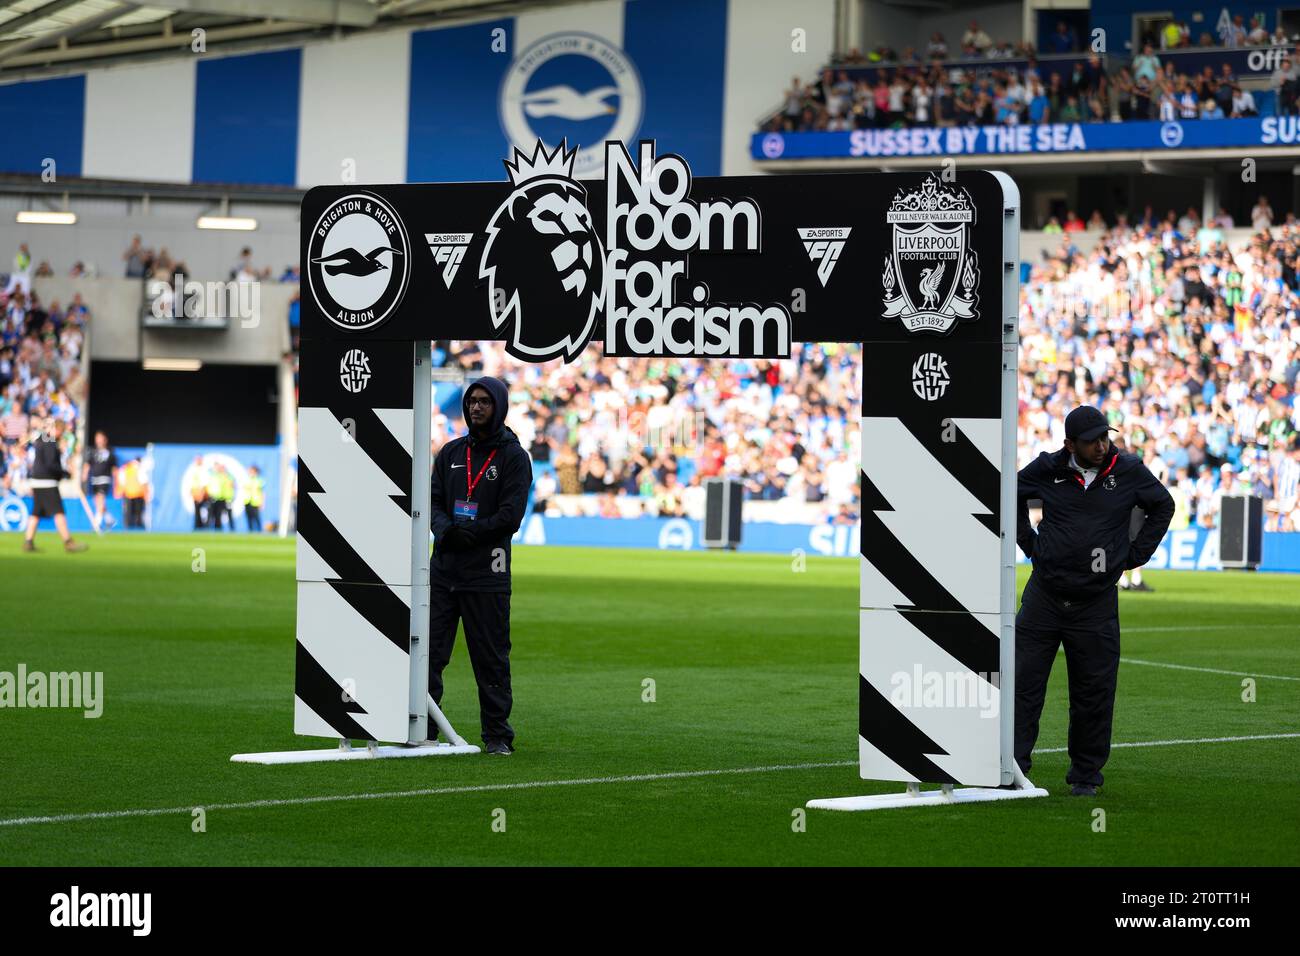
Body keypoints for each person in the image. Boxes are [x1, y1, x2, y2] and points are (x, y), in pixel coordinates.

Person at [1014, 406, 1174, 796]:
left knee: (1094, 693)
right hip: (1044, 596)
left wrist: (1136, 555)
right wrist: (1029, 544)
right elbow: (1009, 492)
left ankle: (1086, 777)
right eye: (1091, 441)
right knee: (1021, 687)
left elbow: (1163, 505)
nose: (1101, 445)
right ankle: (1012, 769)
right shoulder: (1047, 467)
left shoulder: (1129, 469)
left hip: (1096, 601)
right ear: (1070, 444)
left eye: (1105, 436)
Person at [427, 376, 533, 755]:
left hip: (487, 574)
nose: (475, 407)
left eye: (485, 401)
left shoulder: (514, 457)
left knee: (490, 659)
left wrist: (473, 531)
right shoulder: (451, 452)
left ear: (499, 407)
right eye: (471, 401)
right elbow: (433, 502)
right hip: (443, 569)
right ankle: (424, 731)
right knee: (429, 653)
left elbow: (511, 516)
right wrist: (445, 530)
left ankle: (497, 736)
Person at [21, 418, 87, 553]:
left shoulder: (41, 440)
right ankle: (68, 542)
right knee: (59, 512)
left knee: (36, 513)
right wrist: (65, 473)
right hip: (47, 483)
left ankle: (28, 541)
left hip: (37, 481)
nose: (61, 435)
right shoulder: (50, 443)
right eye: (61, 431)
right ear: (56, 429)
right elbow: (51, 465)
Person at [82, 430, 118, 530]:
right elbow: (87, 464)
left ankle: (96, 523)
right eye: (97, 438)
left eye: (100, 438)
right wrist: (84, 474)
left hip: (105, 479)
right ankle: (110, 520)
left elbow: (114, 468)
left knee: (101, 501)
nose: (98, 440)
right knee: (97, 503)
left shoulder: (110, 452)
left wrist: (117, 480)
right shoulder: (92, 452)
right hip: (94, 479)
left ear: (105, 439)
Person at [244, 464, 264, 532]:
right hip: (247, 501)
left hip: (255, 502)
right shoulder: (246, 479)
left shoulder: (259, 480)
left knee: (256, 518)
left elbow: (262, 492)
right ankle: (250, 531)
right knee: (249, 518)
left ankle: (260, 531)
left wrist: (262, 502)